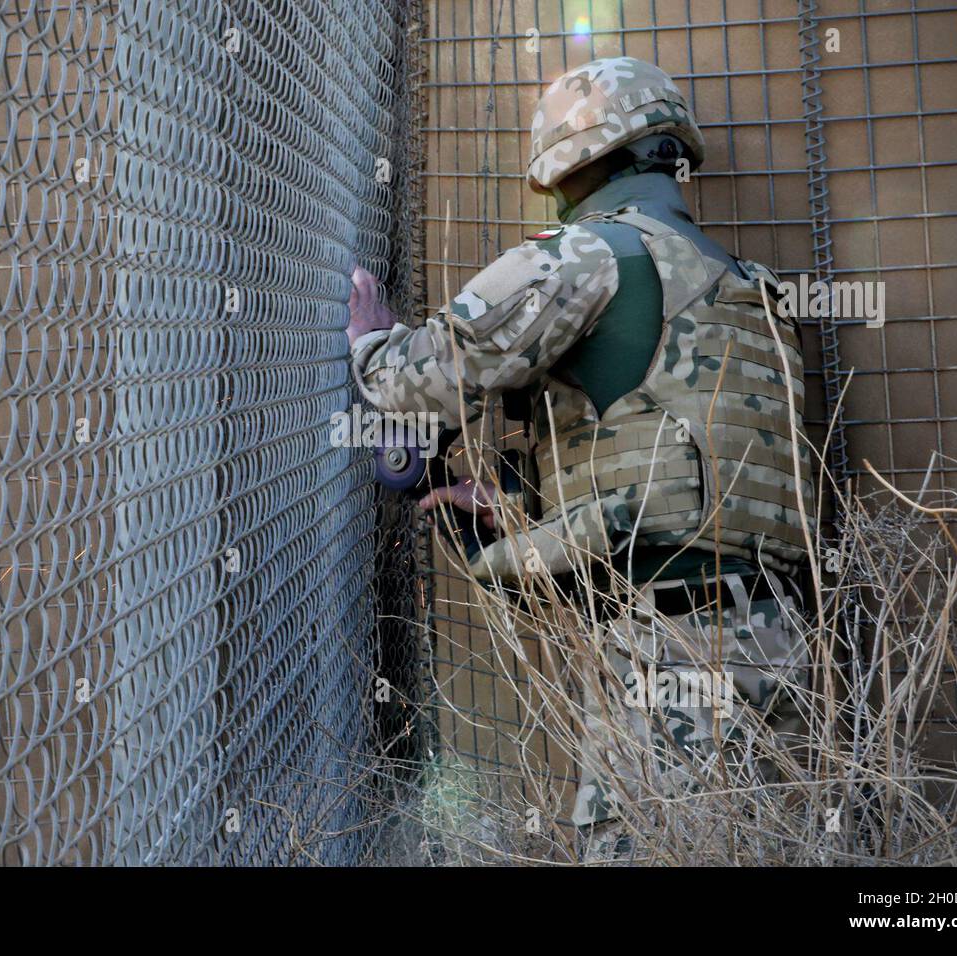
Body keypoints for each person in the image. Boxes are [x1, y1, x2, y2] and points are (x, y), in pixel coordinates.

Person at [346, 57, 814, 860]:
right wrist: (529, 522)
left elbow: (426, 378)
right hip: (777, 643)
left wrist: (374, 344)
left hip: (674, 650)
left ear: (570, 162)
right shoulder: (744, 287)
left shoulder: (592, 256)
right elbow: (684, 467)